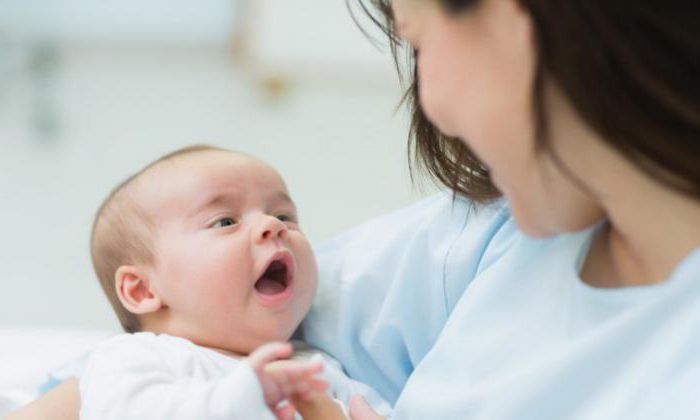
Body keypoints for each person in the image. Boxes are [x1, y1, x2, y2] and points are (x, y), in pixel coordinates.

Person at [10, 0, 700, 418]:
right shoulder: (493, 236)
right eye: (225, 221)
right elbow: (147, 363)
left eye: (419, 43)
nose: (432, 103)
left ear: (516, 20)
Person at [9, 145, 388, 420]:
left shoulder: (322, 368)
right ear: (142, 290)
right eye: (225, 222)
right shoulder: (140, 359)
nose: (272, 226)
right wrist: (239, 398)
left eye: (284, 215)